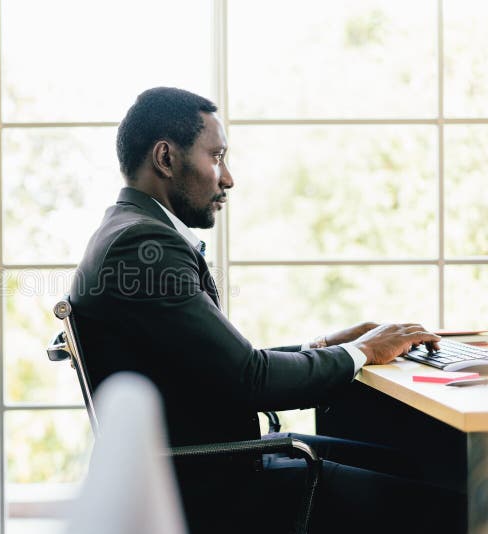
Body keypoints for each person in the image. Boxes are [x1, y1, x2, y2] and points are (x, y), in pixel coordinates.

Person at [69, 87, 464, 533]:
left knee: (409, 464)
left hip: (213, 465)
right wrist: (364, 352)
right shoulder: (144, 246)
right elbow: (249, 378)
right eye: (217, 157)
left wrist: (323, 346)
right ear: (166, 158)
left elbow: (221, 365)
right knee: (449, 506)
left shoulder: (129, 231)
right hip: (217, 488)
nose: (228, 178)